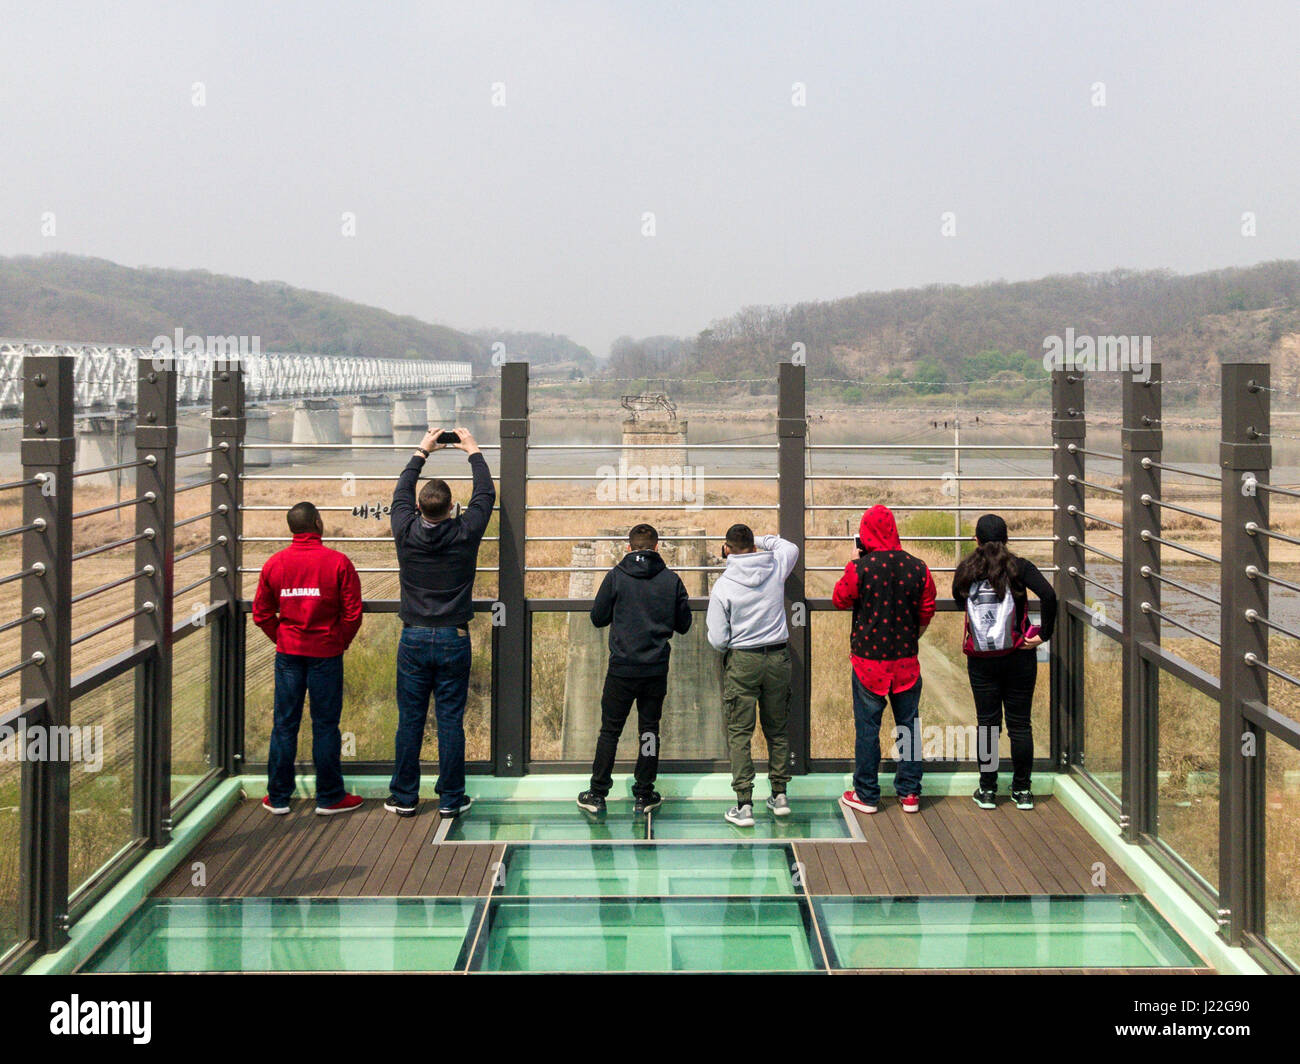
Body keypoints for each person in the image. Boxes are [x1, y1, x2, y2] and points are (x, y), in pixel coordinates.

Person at [386, 426, 495, 818]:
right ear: (451, 509)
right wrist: (472, 450)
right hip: (454, 637)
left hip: (413, 635)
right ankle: (451, 799)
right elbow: (486, 495)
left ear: (418, 509)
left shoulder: (404, 530)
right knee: (450, 720)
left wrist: (422, 450)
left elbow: (401, 491)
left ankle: (404, 796)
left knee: (410, 719)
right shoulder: (465, 533)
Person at [252, 501, 364, 816]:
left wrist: (282, 636)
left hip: (289, 654)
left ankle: (278, 797)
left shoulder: (274, 564)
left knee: (284, 724)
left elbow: (261, 613)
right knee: (326, 725)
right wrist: (338, 640)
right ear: (317, 522)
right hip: (326, 655)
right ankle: (329, 797)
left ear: (292, 528)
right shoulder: (338, 562)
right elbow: (353, 612)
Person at [577, 524, 692, 816]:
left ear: (629, 548)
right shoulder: (671, 580)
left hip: (622, 669)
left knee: (610, 732)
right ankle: (644, 793)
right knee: (649, 732)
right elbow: (684, 624)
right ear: (657, 547)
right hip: (655, 670)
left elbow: (598, 618)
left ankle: (598, 792)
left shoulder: (616, 577)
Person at [832, 504, 936, 815]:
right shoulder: (918, 567)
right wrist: (912, 637)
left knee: (867, 729)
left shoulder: (860, 568)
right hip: (906, 662)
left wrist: (860, 561)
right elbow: (927, 608)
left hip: (868, 664)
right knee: (909, 727)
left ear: (864, 535)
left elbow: (840, 599)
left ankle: (866, 794)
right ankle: (910, 794)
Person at [952, 513, 1057, 811]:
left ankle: (987, 790)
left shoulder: (967, 569)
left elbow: (959, 600)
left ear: (977, 540)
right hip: (1020, 655)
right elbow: (1049, 595)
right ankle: (1023, 791)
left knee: (987, 724)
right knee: (1020, 724)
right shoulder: (1019, 567)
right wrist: (1043, 634)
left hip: (981, 659)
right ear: (1007, 539)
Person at [706, 524, 799, 827]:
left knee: (740, 732)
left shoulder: (723, 585)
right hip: (777, 656)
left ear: (727, 548)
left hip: (743, 661)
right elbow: (790, 547)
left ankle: (744, 805)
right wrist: (759, 540)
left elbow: (718, 639)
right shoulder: (775, 567)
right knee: (777, 728)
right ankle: (780, 794)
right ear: (753, 545)